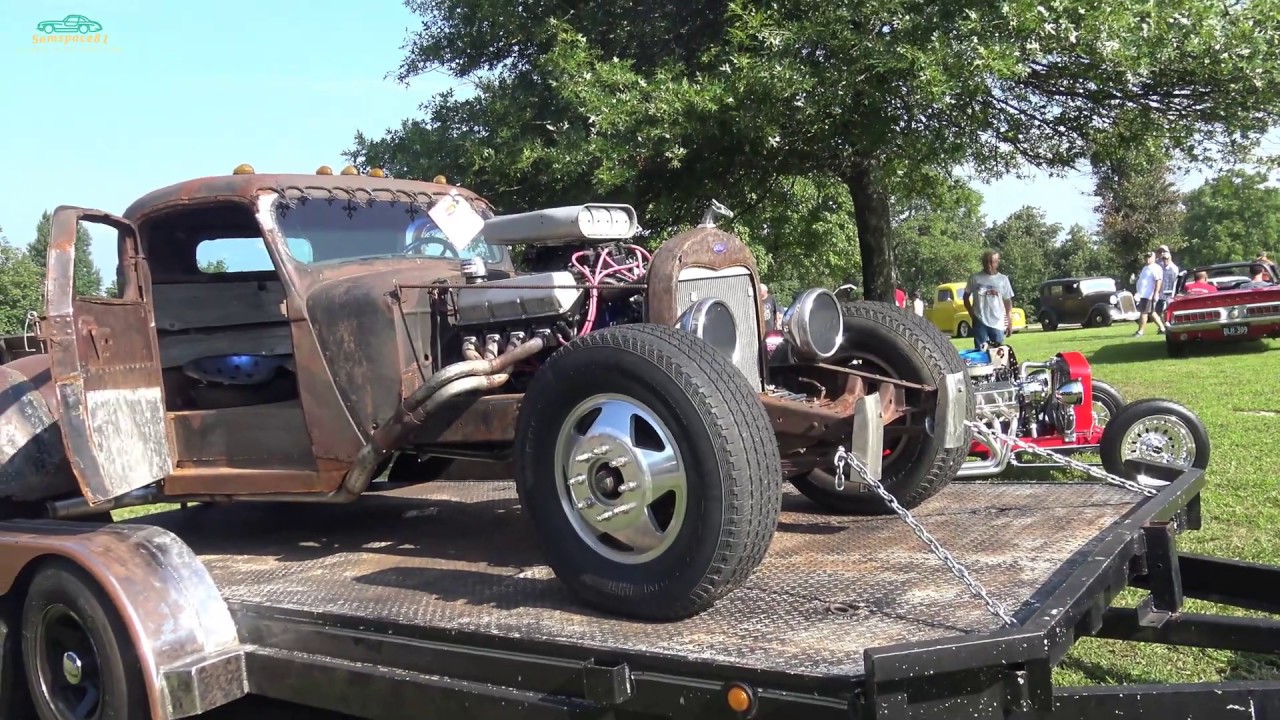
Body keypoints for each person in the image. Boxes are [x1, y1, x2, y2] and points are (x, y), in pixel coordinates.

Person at [963, 249, 1015, 349]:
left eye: (992, 262)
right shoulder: (975, 278)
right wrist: (972, 315)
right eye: (986, 262)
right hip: (980, 320)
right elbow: (965, 298)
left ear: (997, 263)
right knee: (981, 352)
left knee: (998, 352)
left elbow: (1007, 301)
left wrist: (1009, 321)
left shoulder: (1003, 279)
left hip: (997, 322)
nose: (989, 265)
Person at [1133, 251, 1165, 336]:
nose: (1147, 259)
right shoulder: (1145, 268)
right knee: (1152, 313)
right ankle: (1162, 328)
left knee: (1143, 313)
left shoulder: (1156, 268)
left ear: (1154, 258)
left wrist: (1156, 293)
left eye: (1149, 257)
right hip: (1143, 295)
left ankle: (1140, 331)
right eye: (1146, 257)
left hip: (1148, 295)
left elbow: (1158, 281)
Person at [1155, 245, 1179, 316]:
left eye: (1164, 252)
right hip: (1160, 296)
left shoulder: (1173, 268)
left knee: (1167, 313)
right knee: (1158, 313)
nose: (1162, 254)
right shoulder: (1158, 266)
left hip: (1169, 296)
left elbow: (1175, 282)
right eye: (1160, 252)